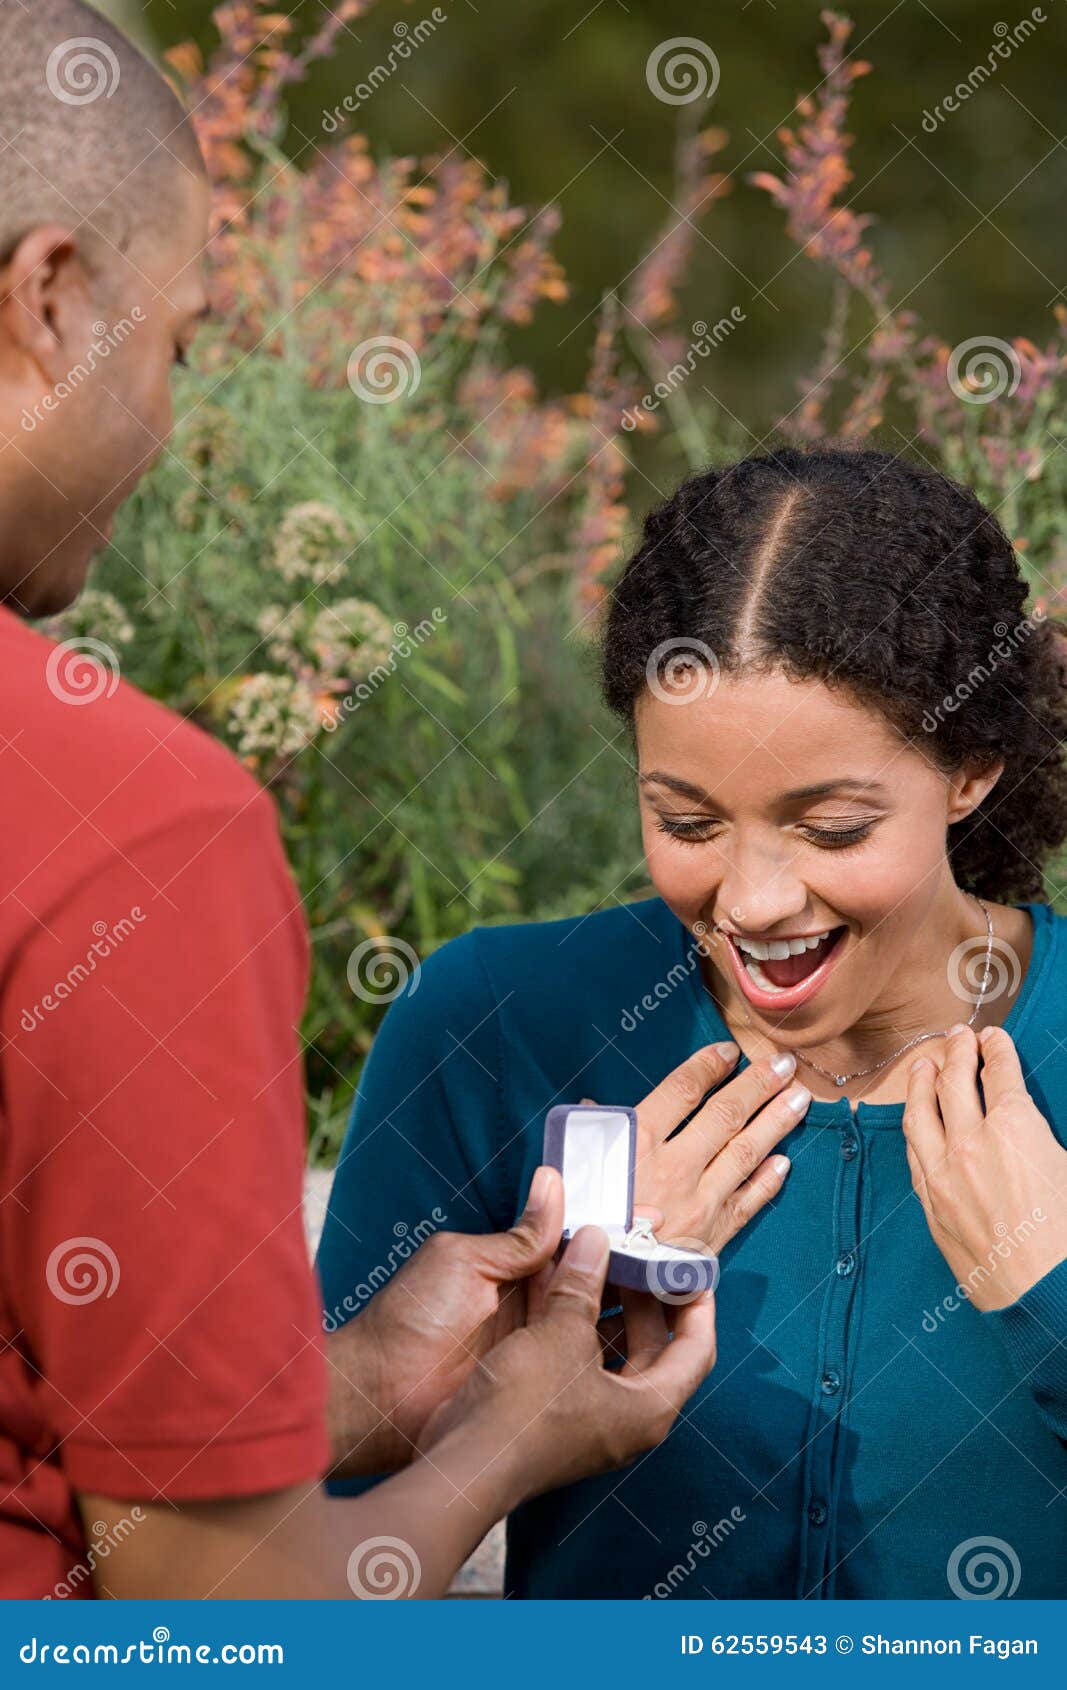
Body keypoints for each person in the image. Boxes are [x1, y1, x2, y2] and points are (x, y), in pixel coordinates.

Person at [0, 0, 723, 1601]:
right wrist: (510, 1439)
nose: (171, 426)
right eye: (178, 344)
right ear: (52, 299)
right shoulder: (132, 829)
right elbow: (227, 1619)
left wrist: (352, 1384)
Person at [319, 445, 1067, 1599]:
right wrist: (520, 1358)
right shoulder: (496, 1025)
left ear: (968, 768)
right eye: (686, 818)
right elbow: (292, 1560)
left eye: (829, 828)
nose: (754, 900)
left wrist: (1048, 1285)